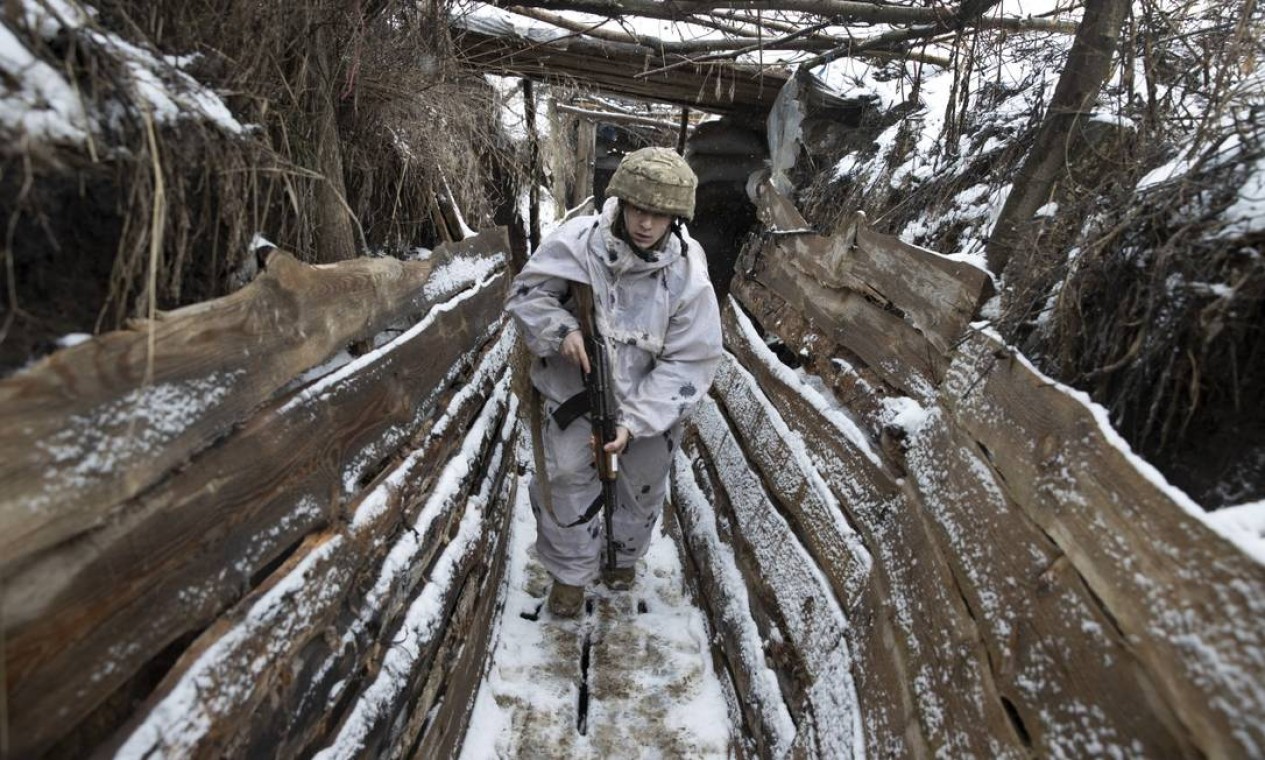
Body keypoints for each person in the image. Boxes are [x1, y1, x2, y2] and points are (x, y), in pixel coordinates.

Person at [505, 147, 723, 617]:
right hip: (573, 394)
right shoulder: (577, 244)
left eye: (659, 214)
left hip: (650, 404)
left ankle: (621, 560)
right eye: (638, 209)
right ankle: (569, 576)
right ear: (621, 203)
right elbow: (527, 295)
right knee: (564, 480)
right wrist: (560, 331)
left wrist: (637, 420)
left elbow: (692, 359)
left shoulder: (686, 274)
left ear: (675, 219)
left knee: (640, 487)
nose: (646, 223)